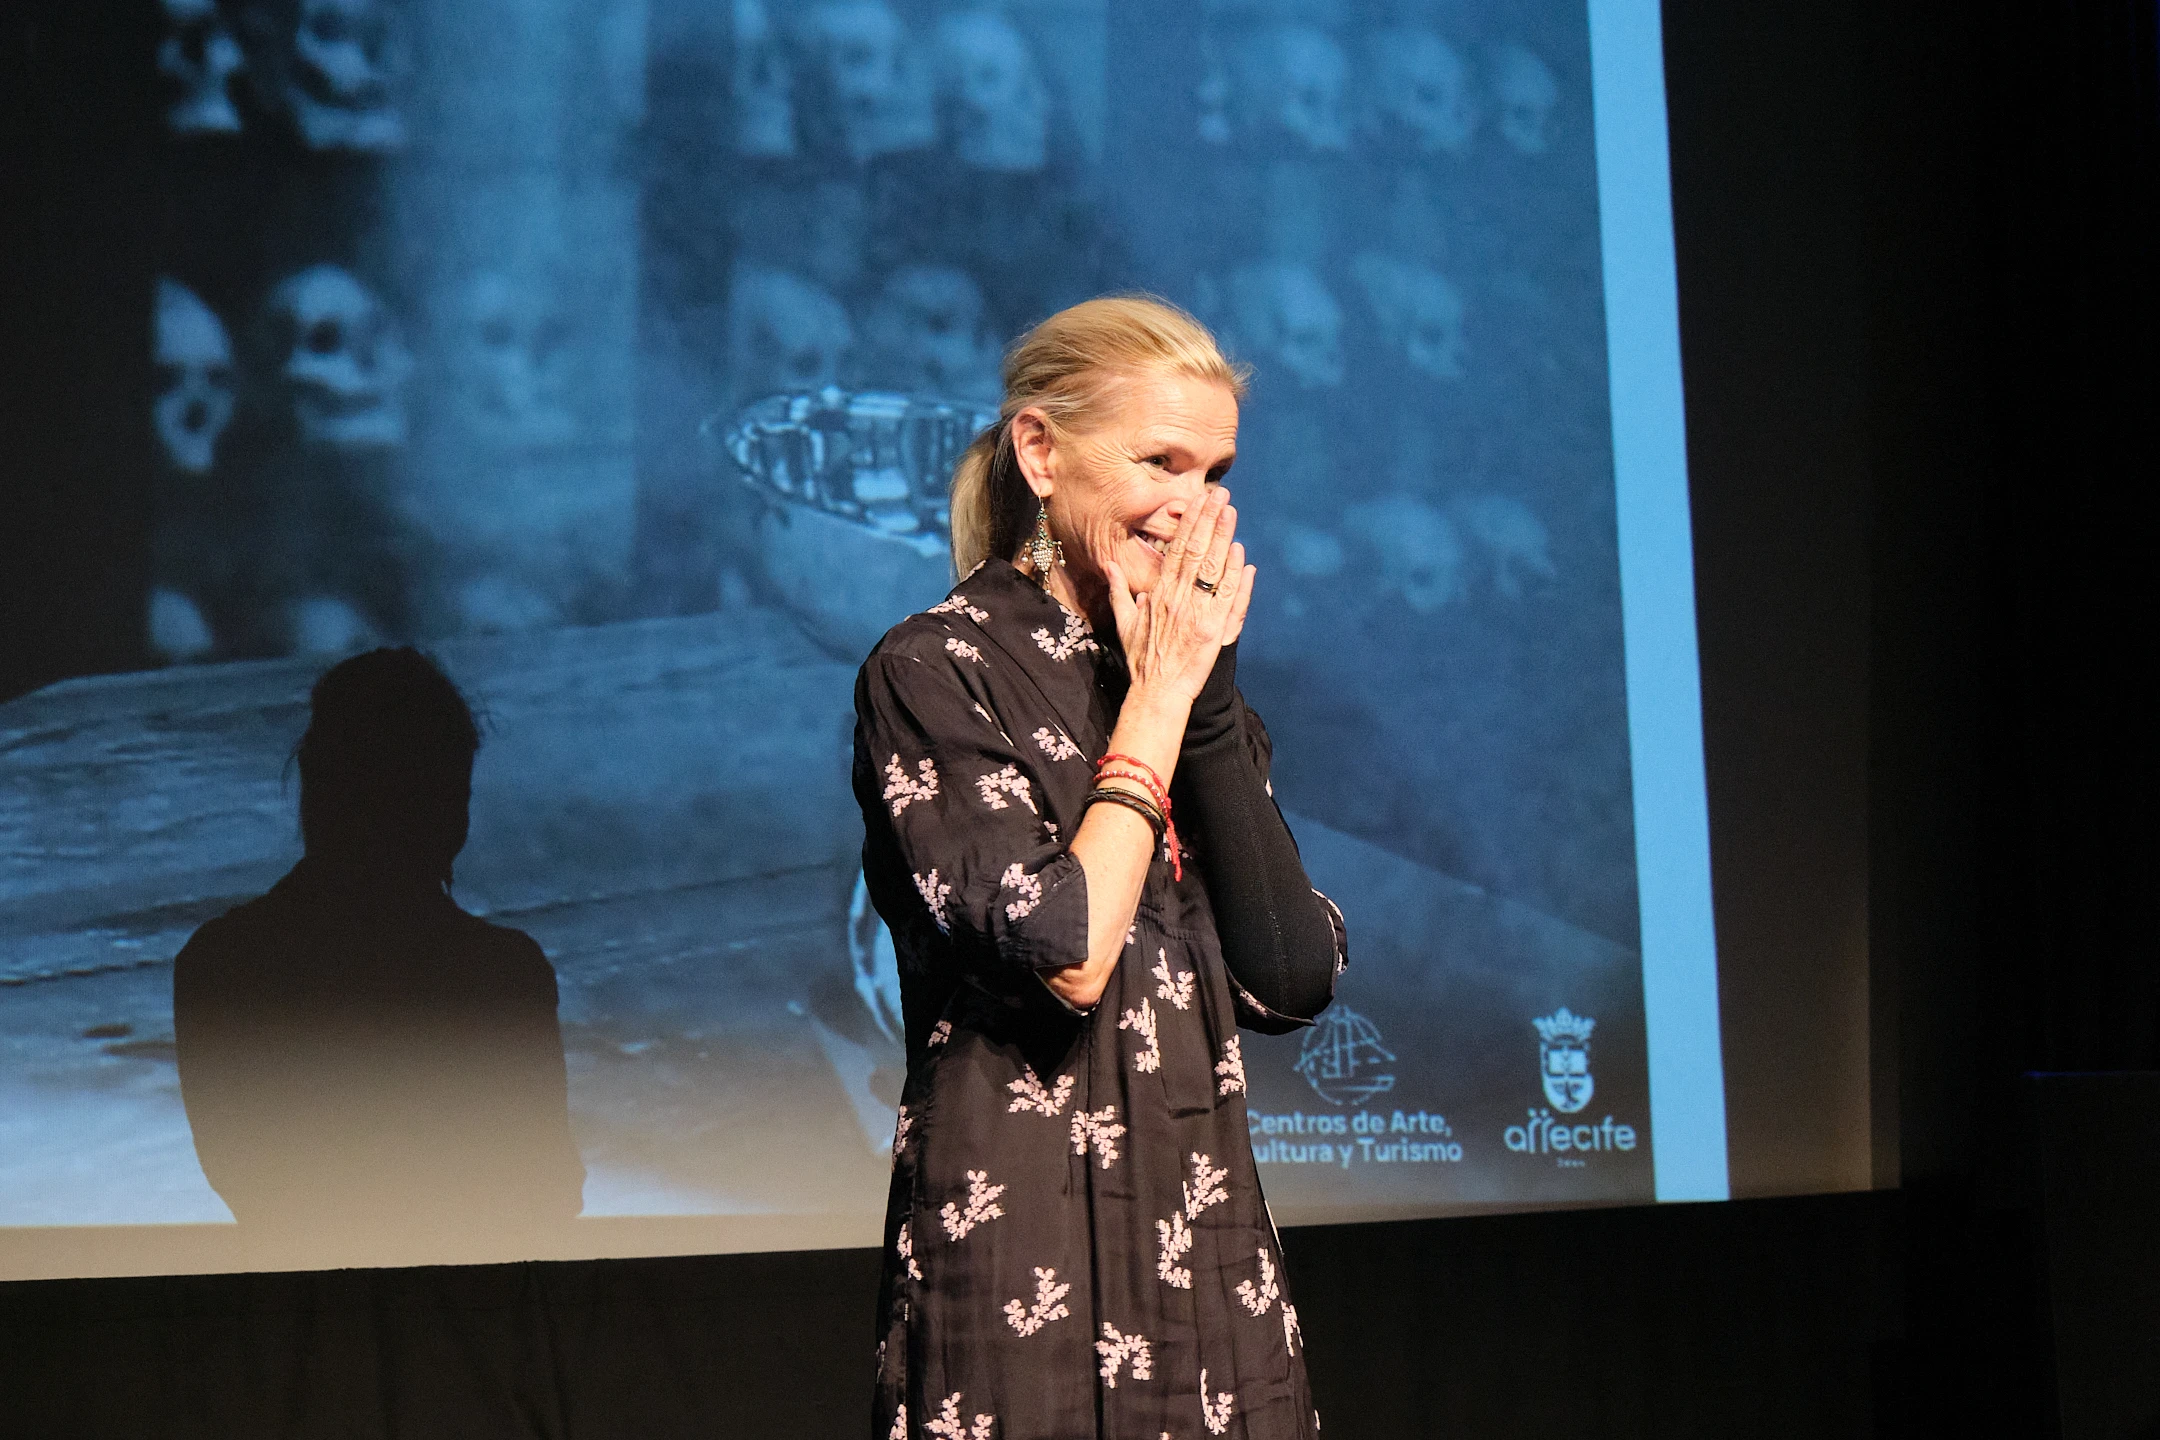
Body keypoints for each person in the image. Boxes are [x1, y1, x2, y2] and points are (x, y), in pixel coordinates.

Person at [853, 296, 1346, 1439]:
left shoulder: (1191, 696)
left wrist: (1206, 707)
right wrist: (1162, 703)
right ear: (1040, 452)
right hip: (1024, 1241)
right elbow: (1064, 950)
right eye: (1159, 462)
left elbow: (1290, 979)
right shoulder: (936, 669)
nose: (1191, 505)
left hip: (1206, 1238)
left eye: (1214, 474)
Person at [172, 647, 584, 1265]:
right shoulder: (504, 975)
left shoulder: (220, 965)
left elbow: (248, 1180)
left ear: (315, 788)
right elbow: (549, 1187)